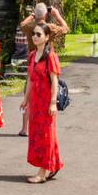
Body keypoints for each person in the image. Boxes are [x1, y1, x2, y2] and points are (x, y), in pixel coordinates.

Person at [22, 22, 63, 183]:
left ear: (46, 37)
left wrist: (53, 102)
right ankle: (54, 164)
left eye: (39, 34)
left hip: (46, 102)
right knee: (38, 134)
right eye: (34, 34)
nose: (35, 37)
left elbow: (55, 81)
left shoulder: (50, 56)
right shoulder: (32, 55)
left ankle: (42, 172)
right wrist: (26, 99)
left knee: (47, 135)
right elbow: (30, 80)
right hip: (35, 102)